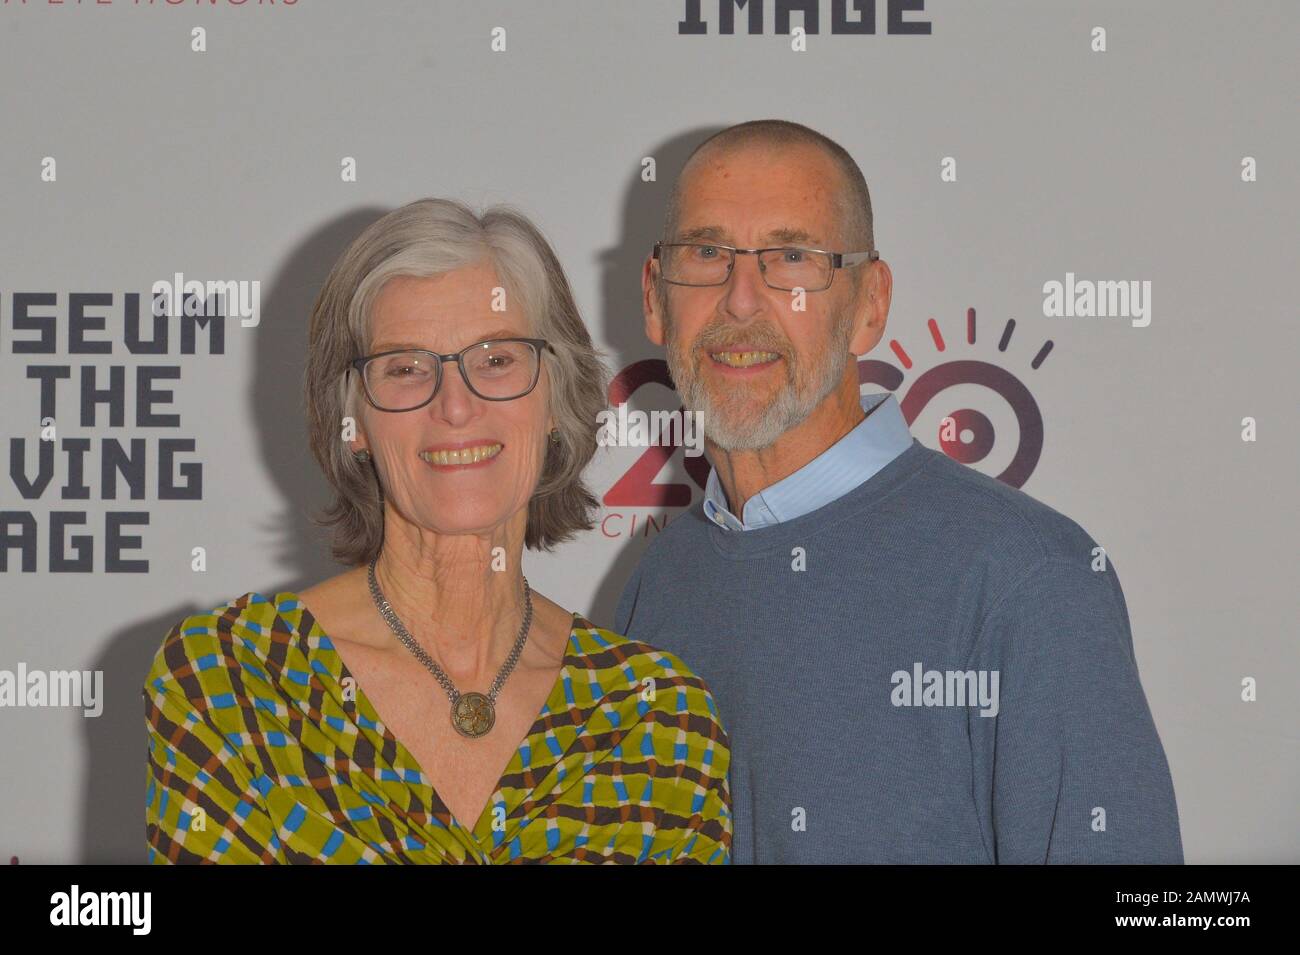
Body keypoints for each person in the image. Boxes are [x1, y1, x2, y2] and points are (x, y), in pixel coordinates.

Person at [616, 119, 1183, 864]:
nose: (741, 300)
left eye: (793, 258)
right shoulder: (660, 581)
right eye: (707, 253)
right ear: (655, 297)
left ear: (870, 305)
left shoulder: (1029, 579)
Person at [143, 198, 731, 864]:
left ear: (554, 400)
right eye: (405, 368)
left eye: (497, 359)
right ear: (353, 419)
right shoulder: (234, 680)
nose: (455, 405)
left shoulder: (654, 718)